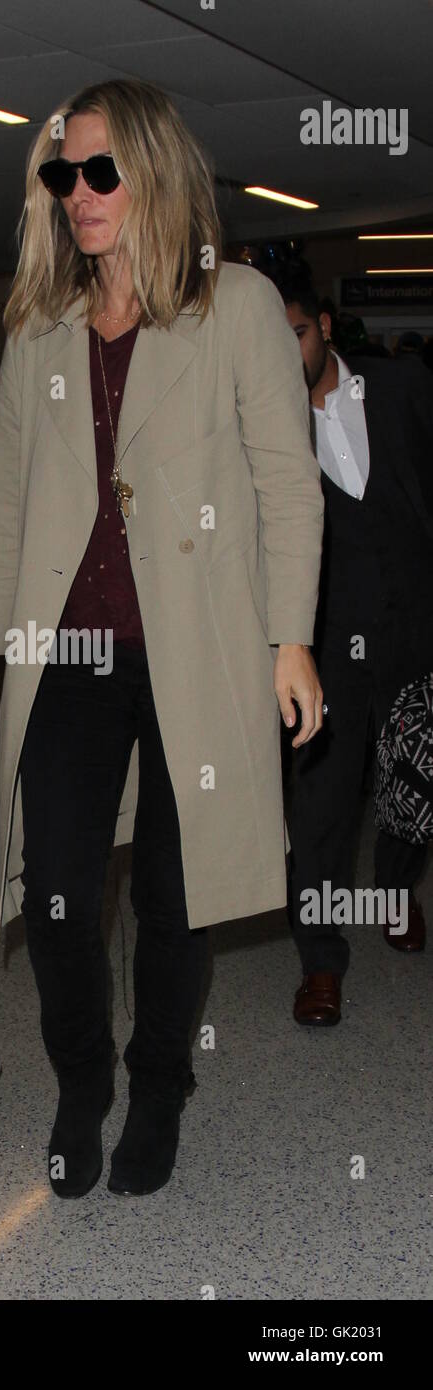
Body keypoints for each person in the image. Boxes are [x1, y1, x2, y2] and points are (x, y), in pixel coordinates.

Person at [0, 77, 325, 1199]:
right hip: (68, 653)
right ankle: (81, 1082)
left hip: (196, 651)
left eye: (98, 170)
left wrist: (289, 640)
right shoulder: (40, 328)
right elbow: (7, 505)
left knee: (173, 890)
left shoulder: (235, 306)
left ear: (152, 171)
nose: (77, 191)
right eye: (62, 173)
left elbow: (284, 488)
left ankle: (157, 1086)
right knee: (54, 884)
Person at [278, 278, 433, 1024]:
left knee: (413, 784)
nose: (286, 352)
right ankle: (319, 961)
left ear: (325, 327)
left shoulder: (403, 385)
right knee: (321, 803)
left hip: (413, 628)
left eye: (298, 333)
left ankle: (397, 890)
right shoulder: (263, 432)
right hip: (323, 644)